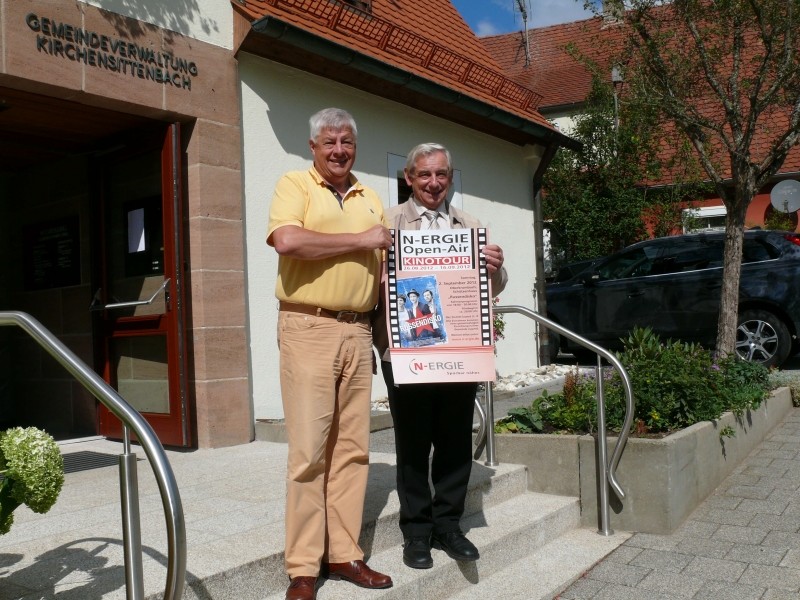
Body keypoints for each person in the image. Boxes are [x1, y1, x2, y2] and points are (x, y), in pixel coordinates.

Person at [267, 107, 394, 600]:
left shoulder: (370, 196)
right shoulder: (295, 184)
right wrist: (360, 241)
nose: (339, 149)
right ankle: (302, 566)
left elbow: (384, 268)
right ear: (313, 147)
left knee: (353, 451)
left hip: (358, 331)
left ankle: (343, 554)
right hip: (308, 325)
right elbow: (287, 240)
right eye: (329, 142)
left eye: (346, 141)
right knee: (308, 453)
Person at [373, 143, 507, 569]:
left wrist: (495, 266)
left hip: (460, 352)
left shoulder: (468, 224)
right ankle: (416, 533)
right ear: (409, 178)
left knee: (453, 441)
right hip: (405, 353)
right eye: (424, 175)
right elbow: (367, 282)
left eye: (442, 175)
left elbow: (496, 285)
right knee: (412, 444)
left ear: (450, 177)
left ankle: (449, 526)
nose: (433, 183)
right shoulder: (387, 223)